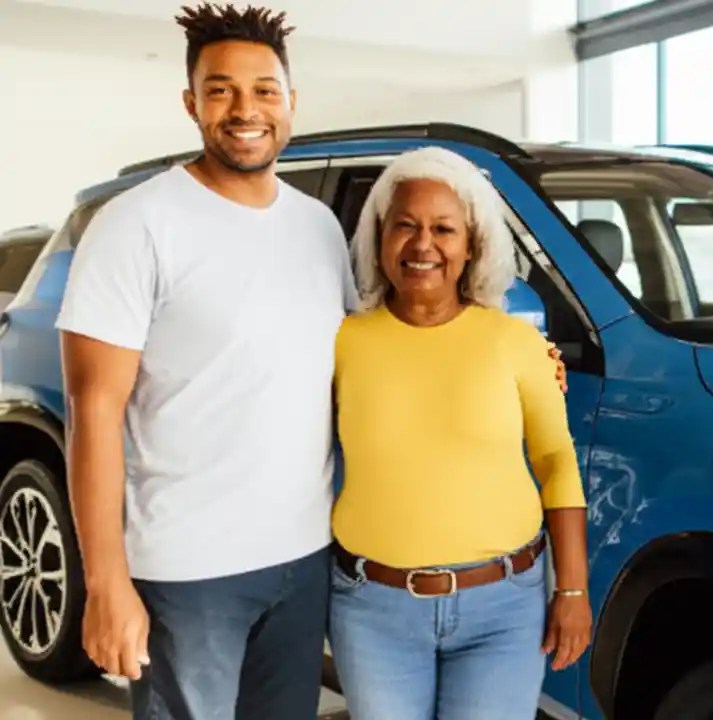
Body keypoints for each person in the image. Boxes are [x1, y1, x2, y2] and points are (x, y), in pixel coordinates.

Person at [54, 4, 565, 719]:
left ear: (290, 102)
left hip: (304, 562)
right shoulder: (137, 225)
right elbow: (93, 411)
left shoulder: (318, 227)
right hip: (186, 568)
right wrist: (105, 583)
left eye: (264, 89)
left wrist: (523, 358)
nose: (245, 109)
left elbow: (390, 341)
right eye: (221, 88)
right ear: (190, 102)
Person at [326, 146, 593, 720]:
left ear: (471, 245)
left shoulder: (517, 344)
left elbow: (556, 460)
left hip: (503, 610)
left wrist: (572, 589)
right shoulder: (341, 342)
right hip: (374, 612)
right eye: (405, 226)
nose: (423, 246)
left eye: (444, 229)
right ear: (379, 236)